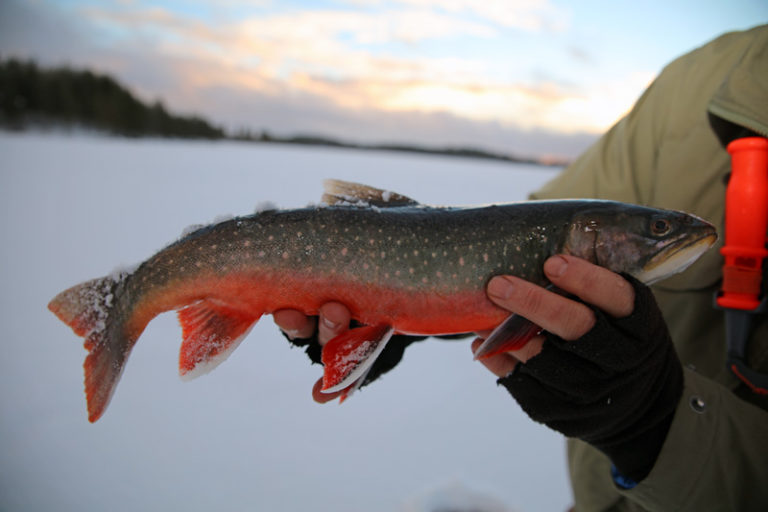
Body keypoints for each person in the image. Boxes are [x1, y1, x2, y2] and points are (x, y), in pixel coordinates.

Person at [274, 25, 768, 511]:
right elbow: (512, 231)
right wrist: (413, 313)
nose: (671, 236)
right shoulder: (704, 77)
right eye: (657, 230)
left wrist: (656, 421)